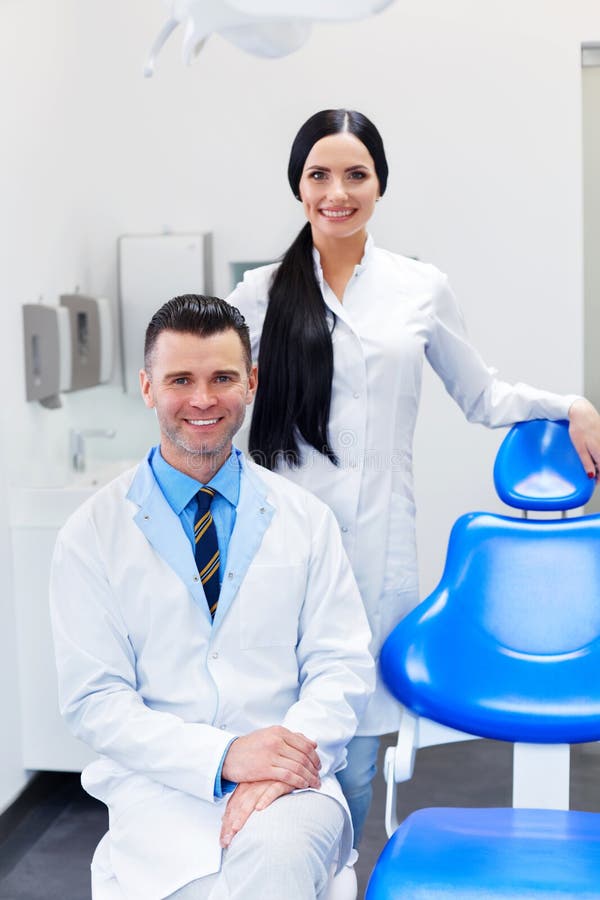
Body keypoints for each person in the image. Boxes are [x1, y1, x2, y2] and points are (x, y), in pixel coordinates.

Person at [226, 108, 600, 846]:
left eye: (355, 174)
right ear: (298, 187)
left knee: (357, 763)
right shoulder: (260, 295)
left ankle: (332, 876)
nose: (338, 191)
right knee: (280, 756)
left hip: (374, 561)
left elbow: (483, 395)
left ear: (379, 184)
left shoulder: (419, 289)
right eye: (319, 175)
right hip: (277, 556)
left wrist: (572, 405)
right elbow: (213, 401)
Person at [49, 295, 374, 900]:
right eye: (180, 380)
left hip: (292, 784)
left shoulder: (305, 519)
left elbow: (341, 665)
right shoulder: (91, 534)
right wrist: (226, 756)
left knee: (275, 864)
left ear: (251, 383)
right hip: (162, 789)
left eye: (222, 377)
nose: (203, 399)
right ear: (148, 388)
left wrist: (275, 766)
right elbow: (95, 700)